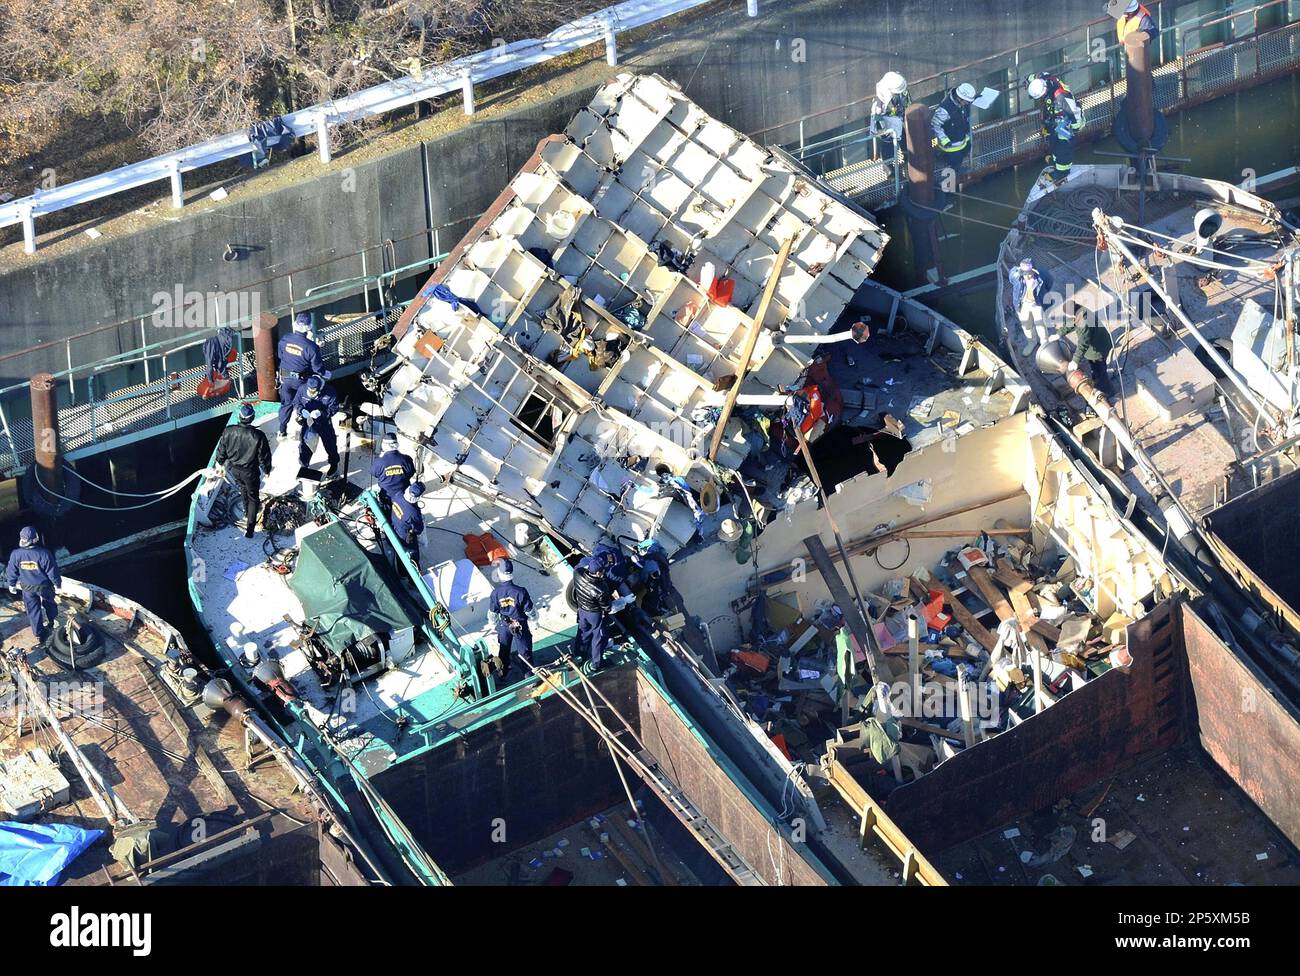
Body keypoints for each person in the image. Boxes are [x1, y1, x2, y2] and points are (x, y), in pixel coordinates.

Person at [214, 403, 273, 538]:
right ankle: (250, 530)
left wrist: (220, 462)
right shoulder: (258, 436)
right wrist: (267, 469)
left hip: (234, 469)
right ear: (252, 418)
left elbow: (221, 450)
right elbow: (263, 456)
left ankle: (246, 512)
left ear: (239, 417)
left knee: (242, 489)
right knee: (253, 497)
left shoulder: (228, 431)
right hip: (250, 472)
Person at [6, 527, 61, 647]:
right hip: (44, 587)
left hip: (28, 589)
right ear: (35, 538)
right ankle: (52, 621)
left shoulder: (16, 554)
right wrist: (57, 584)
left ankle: (38, 632)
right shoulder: (44, 553)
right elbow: (52, 571)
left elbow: (11, 571)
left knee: (33, 610)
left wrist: (12, 584)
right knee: (49, 603)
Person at [1026, 73, 1083, 183]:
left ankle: (1062, 172)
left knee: (1062, 147)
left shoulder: (1060, 97)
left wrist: (1075, 128)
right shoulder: (1044, 79)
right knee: (1053, 141)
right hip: (1056, 120)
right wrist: (1029, 80)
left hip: (1068, 122)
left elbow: (1074, 113)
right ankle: (1056, 162)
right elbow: (1036, 75)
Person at [277, 313, 327, 437]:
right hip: (301, 381)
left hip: (285, 378)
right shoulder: (312, 347)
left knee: (286, 404)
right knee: (306, 403)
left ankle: (282, 430)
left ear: (295, 324)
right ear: (309, 327)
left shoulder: (284, 339)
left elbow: (280, 355)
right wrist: (325, 373)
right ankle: (307, 427)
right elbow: (317, 368)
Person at [572, 549, 619, 673]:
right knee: (598, 638)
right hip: (594, 614)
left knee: (583, 633)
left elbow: (579, 569)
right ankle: (596, 664)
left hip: (582, 610)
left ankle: (578, 657)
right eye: (603, 570)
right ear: (598, 572)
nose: (604, 573)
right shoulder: (600, 589)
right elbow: (607, 608)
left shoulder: (577, 573)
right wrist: (622, 602)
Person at [489, 557, 536, 679]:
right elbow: (530, 610)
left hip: (504, 626)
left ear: (499, 574)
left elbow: (492, 613)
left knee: (504, 649)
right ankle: (529, 676)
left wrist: (493, 624)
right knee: (524, 651)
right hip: (520, 625)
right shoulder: (521, 592)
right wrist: (535, 620)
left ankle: (503, 672)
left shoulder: (495, 593)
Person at [293, 374, 340, 476]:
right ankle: (304, 464)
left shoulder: (330, 392)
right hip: (308, 421)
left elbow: (334, 408)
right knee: (305, 444)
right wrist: (301, 411)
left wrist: (322, 413)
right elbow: (296, 402)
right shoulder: (302, 389)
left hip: (323, 422)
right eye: (309, 391)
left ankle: (334, 463)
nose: (311, 393)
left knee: (330, 443)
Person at [1065, 309, 1116, 397]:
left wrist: (1075, 360)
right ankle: (1097, 379)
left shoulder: (1084, 322)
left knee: (1100, 371)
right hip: (1097, 346)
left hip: (1098, 350)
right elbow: (1071, 323)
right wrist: (1059, 333)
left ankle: (1108, 391)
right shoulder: (1080, 312)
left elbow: (1083, 343)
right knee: (1096, 369)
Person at [631, 537, 683, 618]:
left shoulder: (649, 564)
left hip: (658, 593)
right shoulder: (661, 556)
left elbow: (643, 578)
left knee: (652, 609)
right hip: (668, 589)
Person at [931, 83, 977, 173]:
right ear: (959, 98)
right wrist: (944, 140)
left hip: (962, 138)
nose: (968, 104)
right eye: (966, 101)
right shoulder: (945, 110)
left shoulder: (962, 104)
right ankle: (951, 176)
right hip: (951, 144)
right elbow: (935, 125)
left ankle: (954, 167)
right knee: (954, 161)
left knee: (965, 150)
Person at [868, 72, 908, 155]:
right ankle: (889, 166)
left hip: (900, 123)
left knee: (906, 145)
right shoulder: (879, 105)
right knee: (888, 151)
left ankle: (906, 161)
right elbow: (877, 123)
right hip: (888, 131)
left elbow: (904, 104)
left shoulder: (900, 94)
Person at [371, 434, 415, 509]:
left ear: (384, 445)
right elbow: (411, 473)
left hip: (386, 495)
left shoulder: (378, 462)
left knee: (387, 513)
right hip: (404, 494)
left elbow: (374, 473)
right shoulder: (407, 459)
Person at [389, 481, 425, 563]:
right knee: (411, 551)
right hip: (404, 534)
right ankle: (412, 565)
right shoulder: (414, 513)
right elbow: (418, 529)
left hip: (394, 523)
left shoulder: (398, 494)